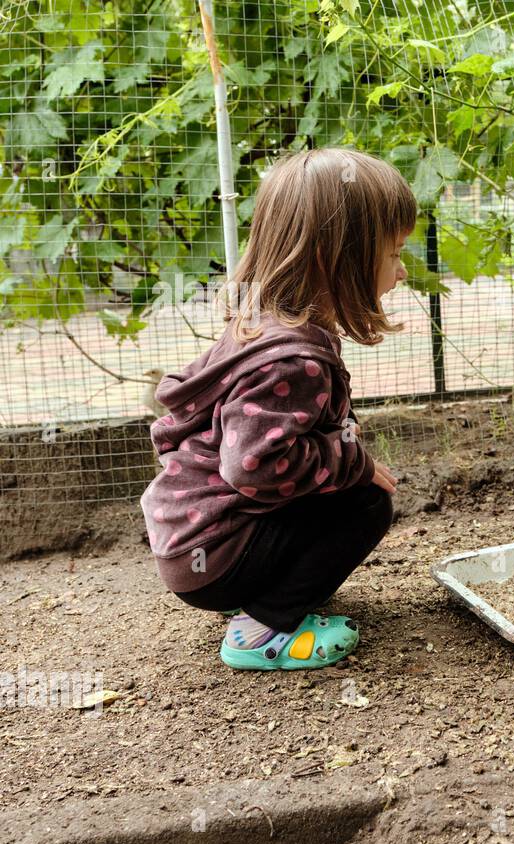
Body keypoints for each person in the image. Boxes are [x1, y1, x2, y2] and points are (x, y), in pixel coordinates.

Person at [140, 148, 412, 670]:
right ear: (334, 256)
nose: (400, 272)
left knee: (349, 491)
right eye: (393, 253)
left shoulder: (263, 321)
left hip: (198, 541)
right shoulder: (292, 360)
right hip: (214, 556)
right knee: (365, 504)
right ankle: (263, 628)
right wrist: (354, 463)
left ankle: (268, 588)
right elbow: (253, 466)